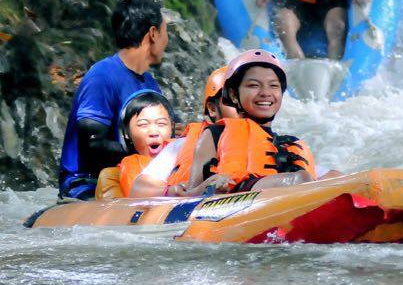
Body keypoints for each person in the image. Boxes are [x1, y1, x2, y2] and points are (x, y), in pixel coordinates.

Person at [57, 0, 175, 199]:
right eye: (165, 33)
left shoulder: (149, 83)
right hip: (88, 183)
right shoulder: (102, 77)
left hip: (136, 175)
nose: (167, 40)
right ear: (153, 34)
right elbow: (93, 143)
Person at [187, 50, 317, 195]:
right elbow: (189, 196)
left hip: (286, 200)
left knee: (333, 174)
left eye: (273, 86)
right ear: (233, 95)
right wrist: (210, 185)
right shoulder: (215, 133)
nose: (265, 93)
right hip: (236, 198)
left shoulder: (289, 144)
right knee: (301, 179)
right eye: (254, 85)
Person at [128, 66, 239, 197]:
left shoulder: (267, 142)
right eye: (231, 99)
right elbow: (138, 190)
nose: (242, 105)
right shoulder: (181, 145)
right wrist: (175, 191)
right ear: (212, 108)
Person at [95, 91, 176, 199]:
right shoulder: (112, 177)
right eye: (143, 124)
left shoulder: (193, 162)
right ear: (127, 132)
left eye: (161, 124)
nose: (154, 132)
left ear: (172, 127)